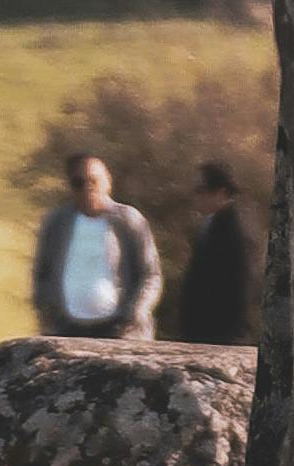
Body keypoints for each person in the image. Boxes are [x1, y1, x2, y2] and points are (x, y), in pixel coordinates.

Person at [31, 149, 161, 340]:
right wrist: (46, 309)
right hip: (66, 330)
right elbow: (41, 272)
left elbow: (150, 274)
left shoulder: (128, 221)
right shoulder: (56, 222)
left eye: (93, 181)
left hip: (120, 332)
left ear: (107, 181)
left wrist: (135, 313)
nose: (87, 188)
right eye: (79, 183)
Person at [173, 157, 258, 347]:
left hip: (220, 339)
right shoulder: (213, 221)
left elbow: (241, 289)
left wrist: (222, 339)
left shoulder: (236, 228)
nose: (195, 196)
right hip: (201, 335)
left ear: (221, 192)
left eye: (200, 190)